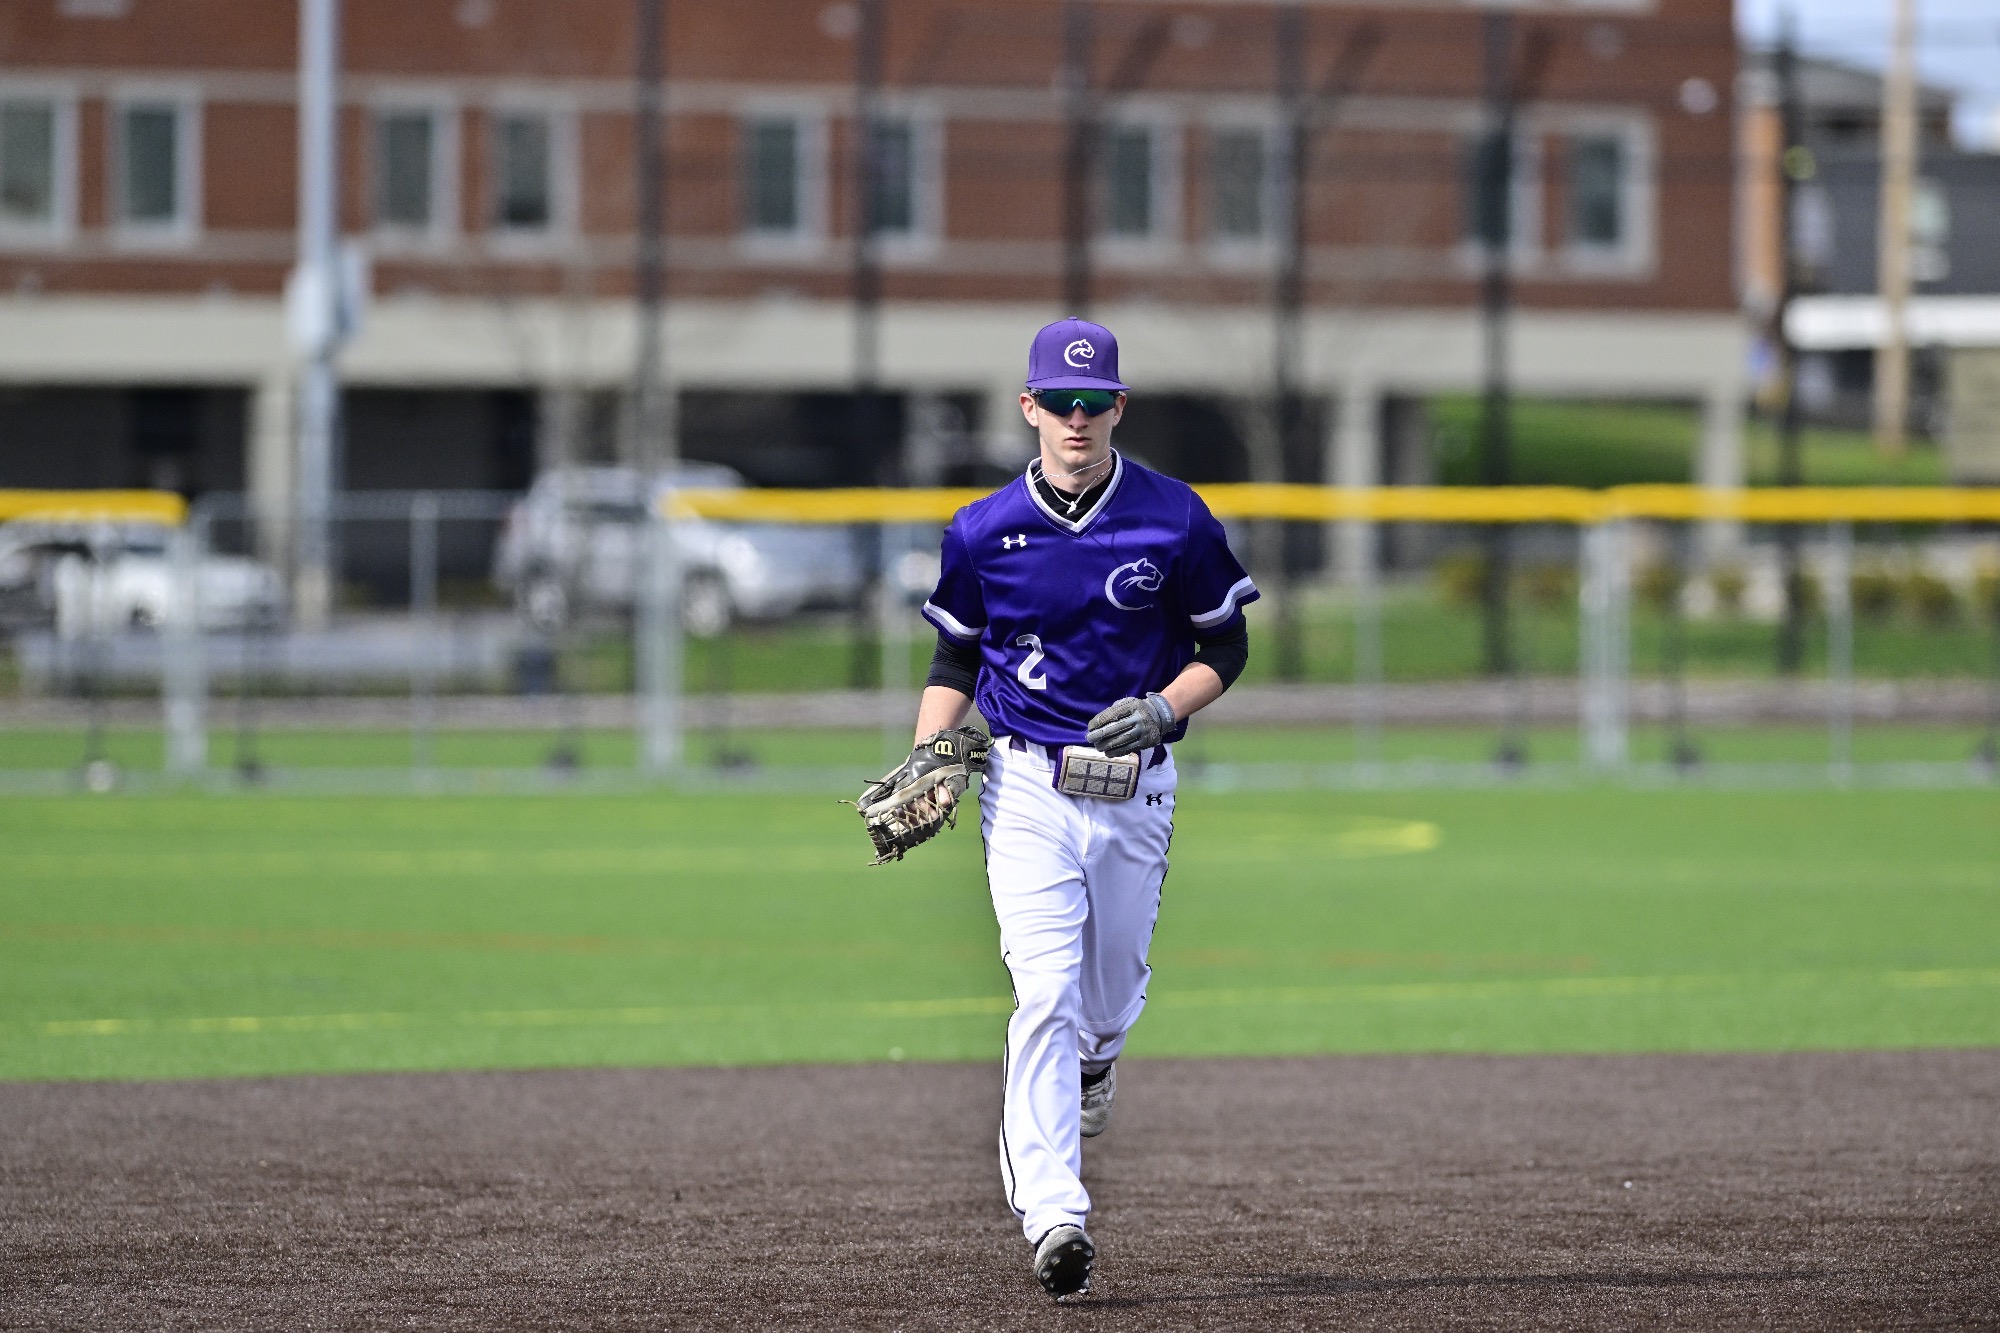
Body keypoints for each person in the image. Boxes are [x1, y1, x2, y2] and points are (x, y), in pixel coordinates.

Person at [911, 317, 1256, 1299]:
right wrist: (932, 750)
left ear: (1116, 408)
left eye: (1091, 401)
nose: (1074, 418)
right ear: (1026, 408)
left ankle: (1098, 1061)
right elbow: (952, 658)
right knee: (1044, 996)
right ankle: (1054, 1214)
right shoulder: (982, 530)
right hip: (1021, 786)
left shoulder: (1173, 517)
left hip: (1133, 789)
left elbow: (1222, 649)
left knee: (1101, 1007)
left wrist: (1162, 707)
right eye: (1056, 402)